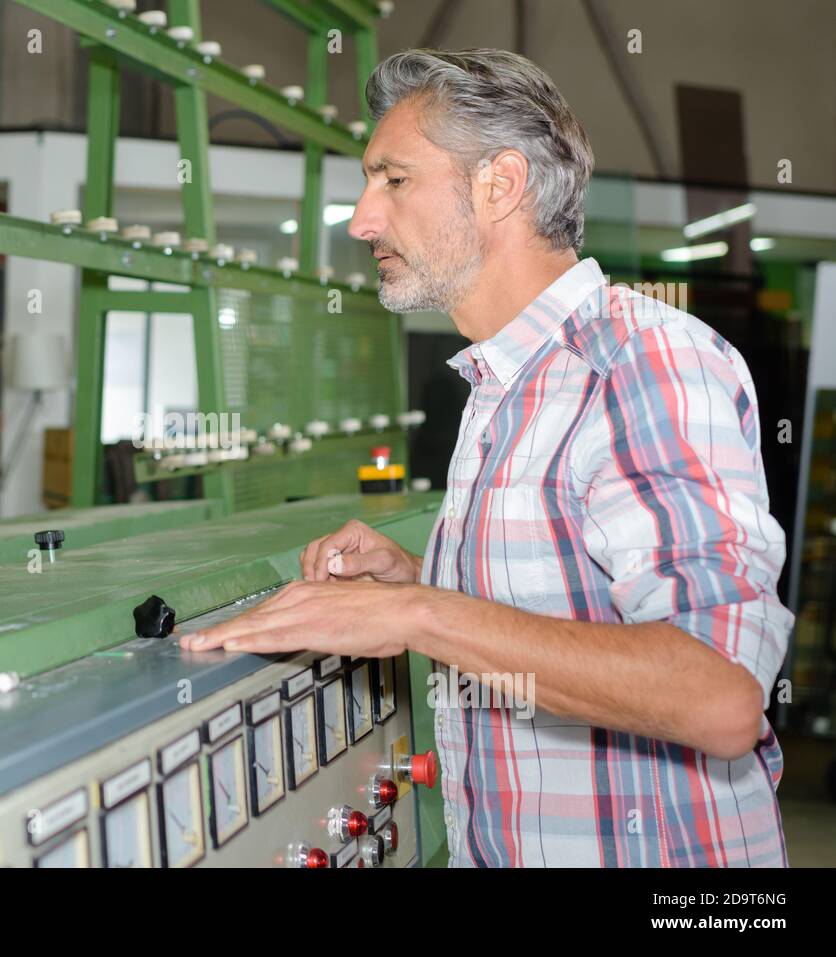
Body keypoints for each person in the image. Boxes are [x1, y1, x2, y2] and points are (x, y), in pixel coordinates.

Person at [184, 49, 792, 867]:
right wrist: (418, 583)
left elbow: (717, 694)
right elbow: (574, 607)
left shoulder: (638, 362)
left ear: (499, 184)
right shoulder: (503, 380)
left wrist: (419, 616)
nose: (363, 219)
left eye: (393, 179)